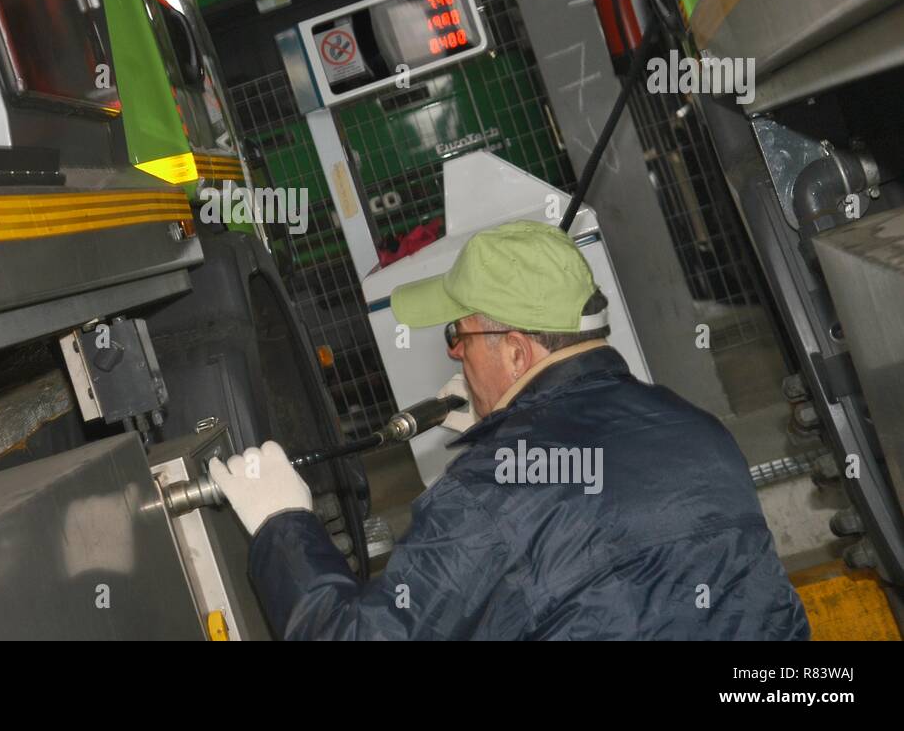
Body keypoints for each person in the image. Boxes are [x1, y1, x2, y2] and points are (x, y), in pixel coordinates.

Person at [209, 220, 809, 640]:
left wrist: (281, 525)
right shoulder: (695, 428)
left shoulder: (487, 493)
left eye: (459, 335)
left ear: (518, 352)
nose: (454, 353)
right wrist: (512, 421)